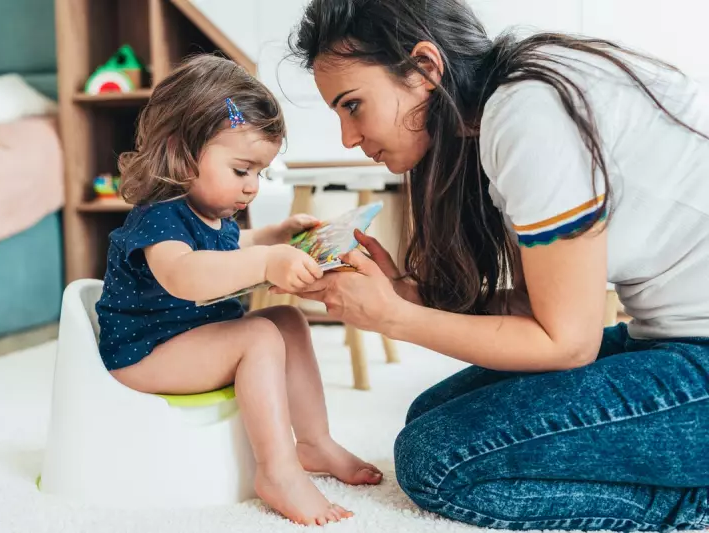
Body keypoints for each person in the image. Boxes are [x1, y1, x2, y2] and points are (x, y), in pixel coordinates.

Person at [287, 0, 709, 530]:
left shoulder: (530, 112)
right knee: (432, 418)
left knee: (437, 462)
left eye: (352, 106)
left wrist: (393, 319)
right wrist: (410, 297)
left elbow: (568, 344)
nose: (348, 137)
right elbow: (548, 312)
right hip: (672, 342)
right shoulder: (511, 103)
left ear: (424, 69)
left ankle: (695, 508)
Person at [95, 55, 382, 527]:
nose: (251, 187)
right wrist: (267, 261)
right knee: (259, 337)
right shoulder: (159, 215)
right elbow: (185, 274)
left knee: (286, 321)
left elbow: (228, 247)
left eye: (259, 174)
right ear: (181, 149)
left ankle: (314, 442)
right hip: (143, 354)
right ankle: (278, 471)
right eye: (242, 169)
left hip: (186, 339)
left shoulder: (211, 212)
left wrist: (273, 237)